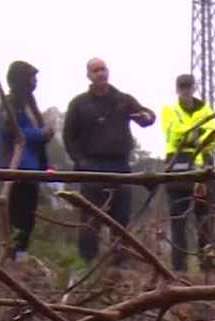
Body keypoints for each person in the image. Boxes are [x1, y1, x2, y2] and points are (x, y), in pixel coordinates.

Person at [62, 58, 156, 263]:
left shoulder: (123, 100)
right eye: (95, 70)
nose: (101, 73)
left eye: (103, 69)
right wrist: (80, 161)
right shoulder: (79, 104)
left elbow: (148, 116)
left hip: (120, 166)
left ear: (108, 71)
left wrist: (145, 117)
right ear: (88, 76)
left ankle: (119, 266)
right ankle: (87, 264)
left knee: (121, 219)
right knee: (90, 219)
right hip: (92, 167)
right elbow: (69, 137)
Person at [0, 60, 53, 262]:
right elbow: (12, 131)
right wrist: (40, 134)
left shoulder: (30, 105)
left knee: (28, 218)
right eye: (32, 77)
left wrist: (45, 164)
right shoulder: (10, 104)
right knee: (15, 218)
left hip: (32, 169)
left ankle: (21, 261)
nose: (35, 81)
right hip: (14, 166)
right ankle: (10, 260)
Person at [160, 73, 215, 280]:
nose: (185, 90)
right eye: (182, 87)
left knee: (205, 220)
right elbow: (172, 134)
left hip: (204, 168)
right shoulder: (169, 109)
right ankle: (179, 268)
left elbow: (214, 136)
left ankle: (208, 265)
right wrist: (197, 133)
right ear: (177, 89)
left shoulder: (206, 109)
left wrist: (192, 136)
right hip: (177, 167)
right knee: (178, 220)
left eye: (188, 86)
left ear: (194, 87)